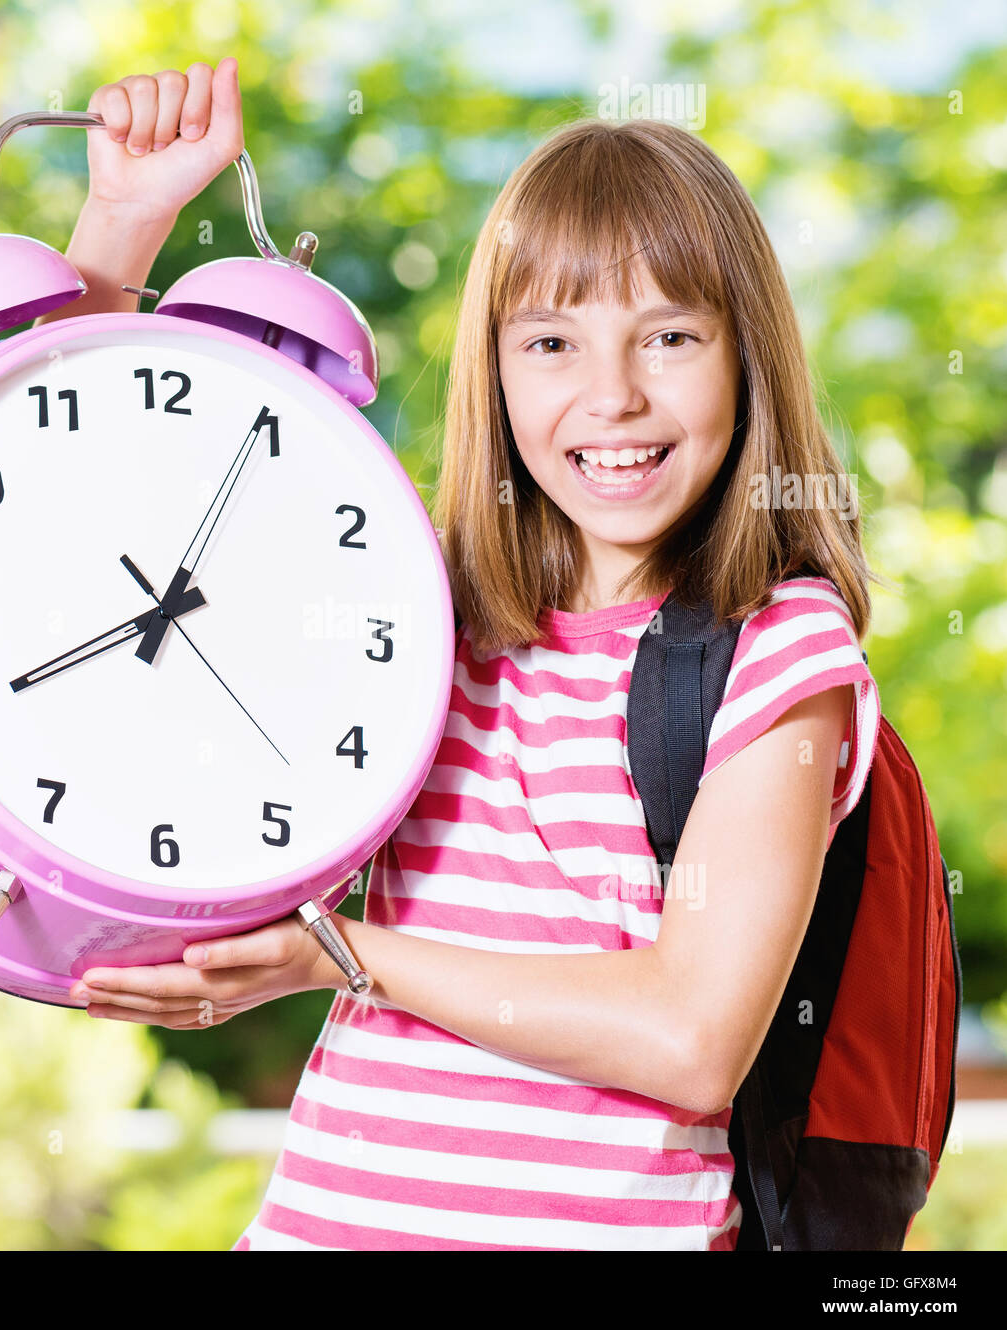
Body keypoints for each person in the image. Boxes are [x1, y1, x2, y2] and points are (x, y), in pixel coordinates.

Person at [54, 59, 879, 1251]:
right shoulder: (412, 599)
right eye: (549, 342)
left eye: (670, 337)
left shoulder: (775, 646)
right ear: (493, 369)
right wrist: (124, 225)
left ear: (747, 360)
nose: (613, 396)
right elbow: (100, 541)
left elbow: (691, 1041)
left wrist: (335, 953)